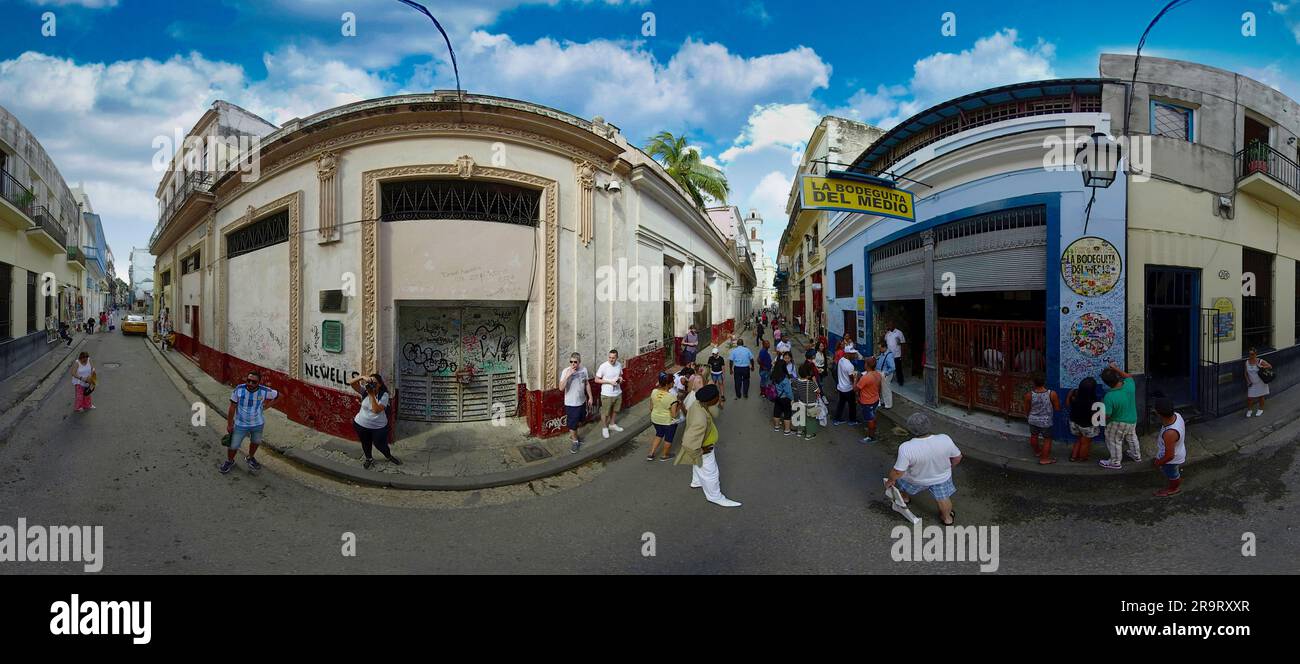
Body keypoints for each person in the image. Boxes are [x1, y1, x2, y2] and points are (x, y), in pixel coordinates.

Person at [885, 413, 962, 526]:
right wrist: (949, 467)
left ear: (911, 429)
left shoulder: (906, 447)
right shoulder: (945, 439)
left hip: (915, 479)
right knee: (943, 499)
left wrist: (890, 481)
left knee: (903, 483)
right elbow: (958, 457)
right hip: (941, 478)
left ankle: (905, 498)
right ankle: (947, 519)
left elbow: (898, 472)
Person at [674, 385, 741, 507]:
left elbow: (714, 413)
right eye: (717, 397)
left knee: (698, 465)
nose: (719, 398)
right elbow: (688, 443)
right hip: (704, 448)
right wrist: (700, 450)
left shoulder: (697, 403)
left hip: (703, 444)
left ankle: (697, 481)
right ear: (710, 400)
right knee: (711, 473)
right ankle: (715, 497)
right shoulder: (700, 419)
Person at [221, 370, 279, 474]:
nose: (250, 384)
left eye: (254, 382)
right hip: (240, 424)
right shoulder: (239, 389)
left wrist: (267, 406)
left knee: (255, 442)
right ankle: (230, 461)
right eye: (249, 380)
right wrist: (230, 424)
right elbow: (232, 408)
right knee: (233, 445)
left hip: (257, 424)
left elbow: (279, 395)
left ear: (259, 382)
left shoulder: (264, 391)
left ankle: (250, 457)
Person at [348, 373, 401, 469]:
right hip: (361, 424)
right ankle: (369, 458)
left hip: (378, 427)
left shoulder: (384, 395)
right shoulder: (364, 392)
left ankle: (388, 456)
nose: (372, 384)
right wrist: (362, 377)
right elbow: (351, 383)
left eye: (375, 383)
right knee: (365, 443)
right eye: (371, 382)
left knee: (380, 444)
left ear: (380, 384)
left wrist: (371, 395)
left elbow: (376, 410)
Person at [1099, 361, 1140, 469]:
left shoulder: (1109, 396)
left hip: (1117, 423)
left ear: (1106, 383)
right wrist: (1115, 368)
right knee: (1132, 438)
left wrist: (1099, 418)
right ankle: (1136, 456)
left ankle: (1115, 462)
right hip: (1132, 419)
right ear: (1117, 377)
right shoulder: (1130, 385)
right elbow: (1128, 376)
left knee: (1114, 441)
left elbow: (1108, 415)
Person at [1149, 398, 1186, 497]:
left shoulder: (1170, 433)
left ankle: (1173, 488)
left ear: (1159, 414)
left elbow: (1169, 456)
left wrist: (1159, 463)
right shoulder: (1177, 415)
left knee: (1172, 475)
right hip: (1178, 450)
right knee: (1172, 472)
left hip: (1171, 460)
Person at [560, 352, 593, 454]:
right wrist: (567, 376)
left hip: (582, 401)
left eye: (575, 362)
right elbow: (561, 388)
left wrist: (590, 397)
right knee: (572, 424)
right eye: (571, 362)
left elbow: (587, 384)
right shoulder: (566, 371)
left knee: (580, 420)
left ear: (579, 362)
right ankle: (574, 441)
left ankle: (573, 435)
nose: (573, 364)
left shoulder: (584, 370)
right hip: (571, 403)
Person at [1024, 376, 1061, 465]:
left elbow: (1026, 409)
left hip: (1033, 420)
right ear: (1044, 382)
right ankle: (1044, 459)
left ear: (1033, 383)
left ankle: (1037, 452)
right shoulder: (1052, 394)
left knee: (1034, 435)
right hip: (1046, 421)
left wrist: (1028, 416)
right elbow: (1057, 408)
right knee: (1047, 439)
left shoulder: (1029, 395)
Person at [1066, 377, 1101, 462]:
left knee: (1078, 439)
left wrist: (1069, 395)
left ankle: (1073, 457)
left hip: (1074, 422)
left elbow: (1067, 404)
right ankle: (1082, 457)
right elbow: (1096, 417)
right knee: (1085, 443)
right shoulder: (1093, 401)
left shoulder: (1074, 394)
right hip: (1087, 425)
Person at [647, 372, 680, 462]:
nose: (673, 383)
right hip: (667, 422)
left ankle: (651, 453)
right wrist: (679, 406)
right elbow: (674, 415)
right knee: (668, 438)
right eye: (672, 382)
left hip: (655, 419)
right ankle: (665, 455)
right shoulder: (672, 397)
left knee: (659, 434)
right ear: (667, 384)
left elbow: (651, 408)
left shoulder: (653, 392)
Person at [594, 349, 625, 439]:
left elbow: (620, 376)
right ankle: (604, 428)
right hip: (607, 394)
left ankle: (612, 424)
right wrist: (609, 382)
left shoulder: (619, 365)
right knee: (605, 412)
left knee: (616, 410)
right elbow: (596, 379)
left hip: (618, 392)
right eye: (610, 357)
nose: (611, 359)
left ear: (617, 358)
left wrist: (620, 380)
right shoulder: (603, 366)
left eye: (613, 358)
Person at [855, 355, 882, 443]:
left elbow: (855, 389)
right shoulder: (878, 374)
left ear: (867, 365)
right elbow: (879, 387)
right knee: (873, 416)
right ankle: (873, 429)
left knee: (870, 419)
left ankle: (871, 437)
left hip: (867, 402)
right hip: (875, 399)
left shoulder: (865, 377)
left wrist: (856, 378)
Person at [793, 363, 822, 440]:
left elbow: (795, 388)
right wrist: (815, 381)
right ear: (808, 375)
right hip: (811, 404)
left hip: (801, 402)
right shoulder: (811, 383)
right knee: (811, 419)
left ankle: (799, 431)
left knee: (801, 417)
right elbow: (818, 391)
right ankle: (809, 434)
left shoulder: (796, 381)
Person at [832, 345, 859, 425]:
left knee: (841, 403)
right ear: (847, 354)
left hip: (841, 387)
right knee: (852, 405)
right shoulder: (850, 366)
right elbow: (851, 378)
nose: (854, 355)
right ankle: (852, 420)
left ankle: (837, 419)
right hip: (848, 389)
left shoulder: (841, 360)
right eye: (852, 353)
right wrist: (856, 377)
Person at [1244, 347, 1272, 417]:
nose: (1251, 356)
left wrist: (1262, 367)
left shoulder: (1260, 361)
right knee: (1250, 398)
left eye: (1252, 354)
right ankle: (1249, 410)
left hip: (1260, 382)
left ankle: (1260, 409)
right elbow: (1245, 373)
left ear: (1256, 354)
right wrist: (1248, 381)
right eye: (1249, 354)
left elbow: (1270, 366)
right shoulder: (1247, 362)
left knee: (1261, 396)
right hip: (1252, 383)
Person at [771, 359, 795, 436]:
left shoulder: (773, 375)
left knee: (777, 411)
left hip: (777, 397)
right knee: (787, 413)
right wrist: (792, 399)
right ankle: (787, 430)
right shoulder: (785, 379)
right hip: (785, 398)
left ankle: (776, 426)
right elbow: (788, 391)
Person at [884, 321, 907, 386]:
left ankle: (900, 381)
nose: (889, 326)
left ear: (894, 325)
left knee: (898, 369)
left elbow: (903, 344)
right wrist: (885, 332)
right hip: (889, 355)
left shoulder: (899, 333)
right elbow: (885, 341)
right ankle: (889, 379)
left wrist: (902, 354)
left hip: (897, 354)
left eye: (891, 325)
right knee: (889, 368)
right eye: (889, 325)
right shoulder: (887, 333)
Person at [876, 341, 896, 409]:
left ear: (884, 347)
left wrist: (886, 373)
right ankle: (882, 402)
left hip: (885, 374)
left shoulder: (889, 355)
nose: (879, 349)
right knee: (882, 389)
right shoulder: (883, 353)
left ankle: (888, 405)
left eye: (880, 348)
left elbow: (892, 367)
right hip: (881, 373)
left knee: (886, 389)